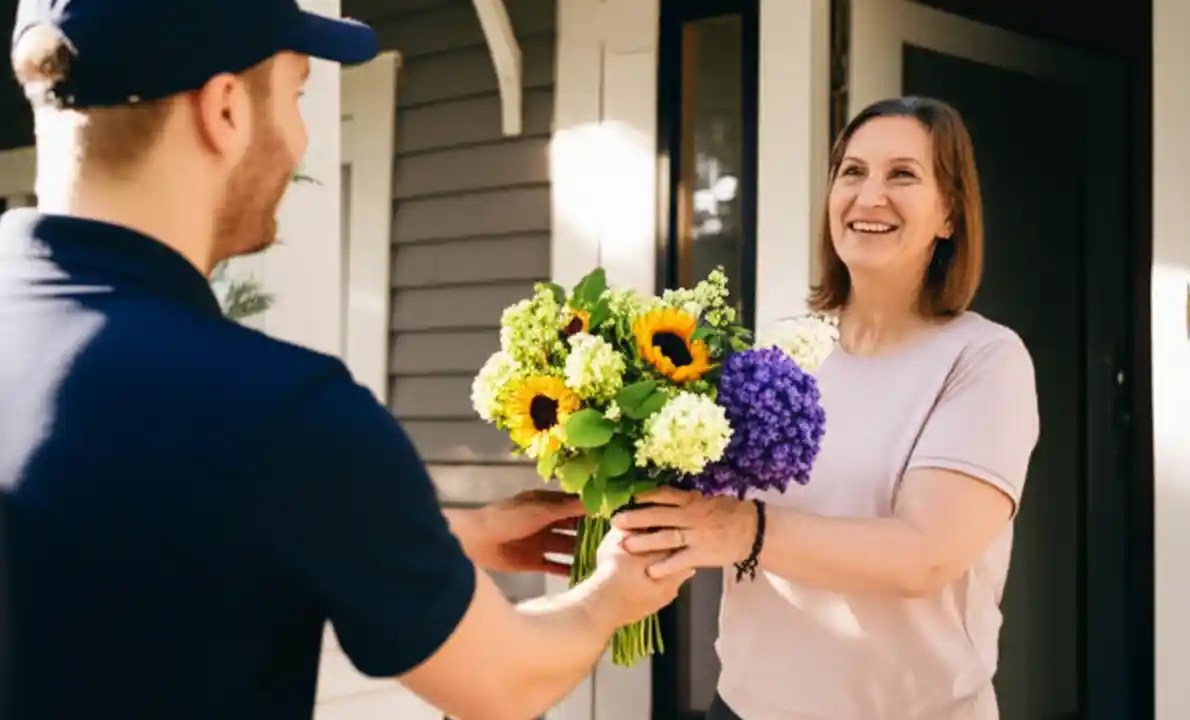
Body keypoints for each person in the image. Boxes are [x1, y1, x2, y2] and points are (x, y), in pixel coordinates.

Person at [0, 1, 691, 719]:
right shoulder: (278, 412)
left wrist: (453, 537)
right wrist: (614, 593)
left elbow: (138, 530)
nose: (302, 138)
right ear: (226, 110)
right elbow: (505, 681)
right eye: (298, 95)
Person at [613, 96, 1041, 720]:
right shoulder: (782, 348)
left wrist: (742, 530)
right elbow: (695, 499)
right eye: (852, 172)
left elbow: (925, 555)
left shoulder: (984, 360)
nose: (870, 196)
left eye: (903, 174)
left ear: (949, 213)